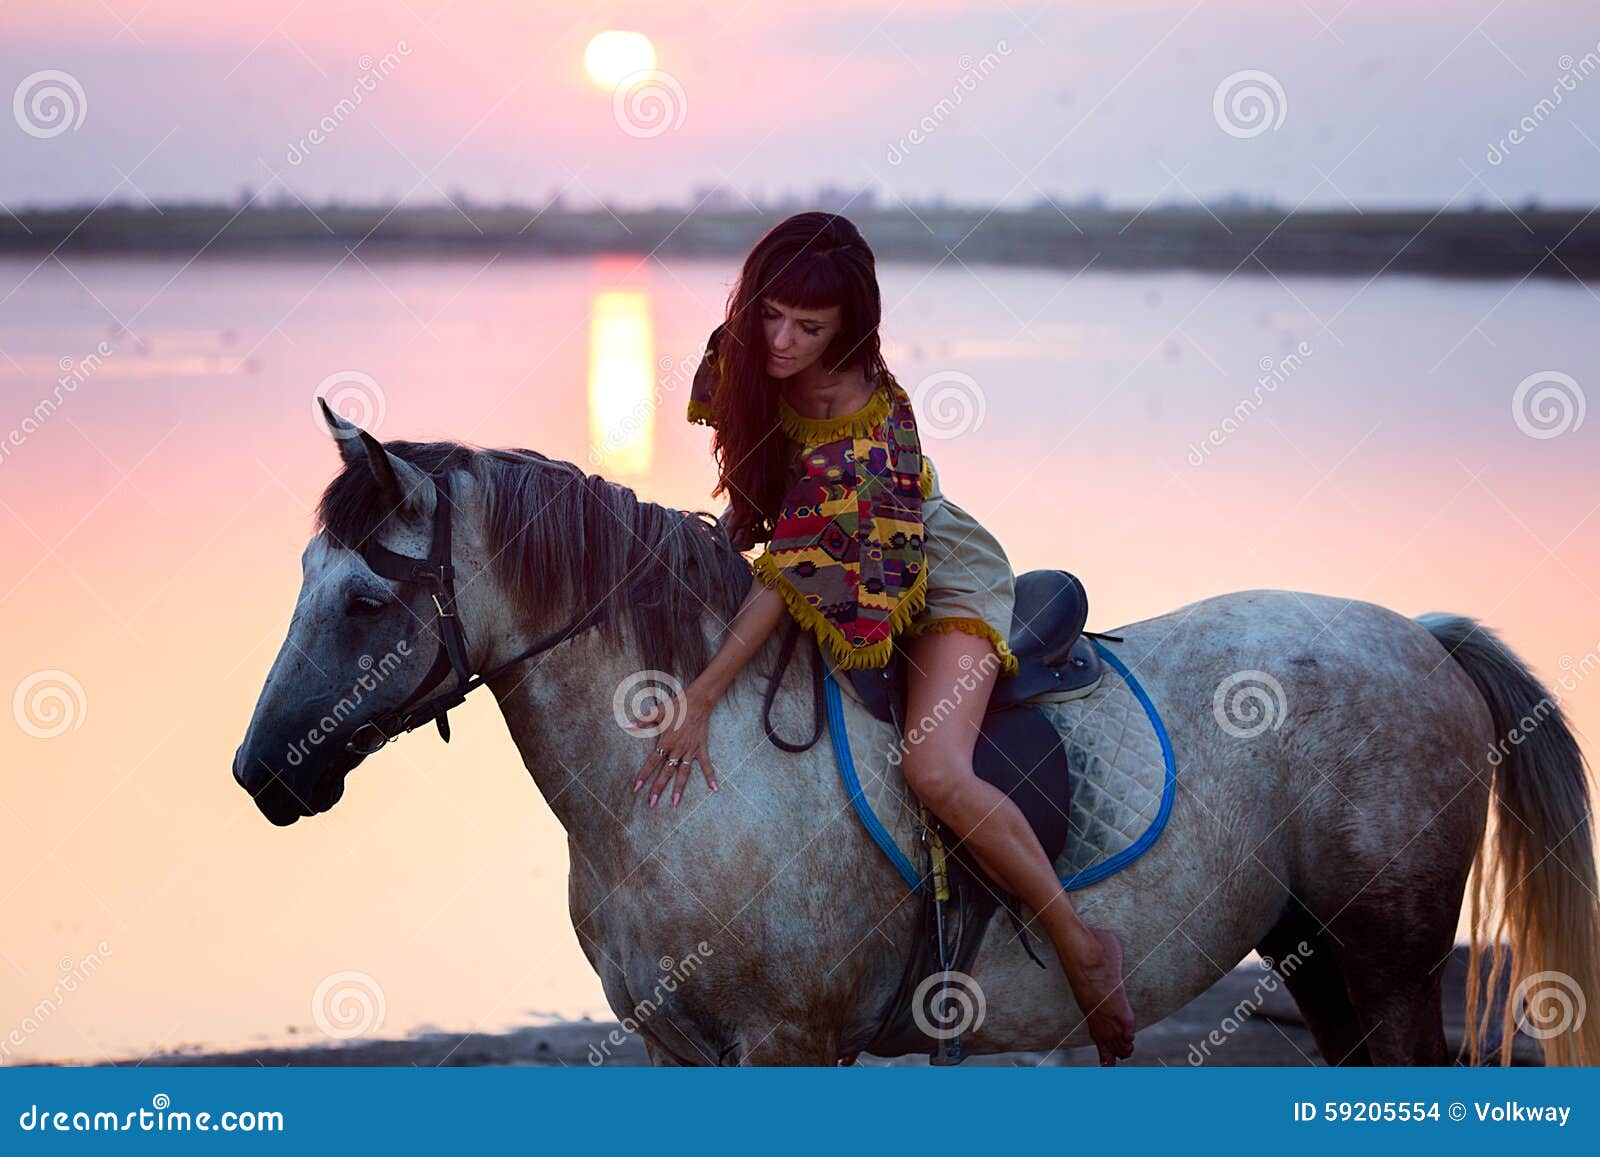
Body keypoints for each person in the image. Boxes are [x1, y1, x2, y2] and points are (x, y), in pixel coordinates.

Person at [629, 211, 1135, 1065]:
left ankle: (1079, 942)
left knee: (934, 765)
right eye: (772, 314)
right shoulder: (747, 347)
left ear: (849, 330)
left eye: (810, 328)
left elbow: (787, 576)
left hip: (934, 569)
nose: (783, 340)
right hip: (825, 555)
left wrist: (701, 694)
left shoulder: (861, 423)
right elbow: (761, 497)